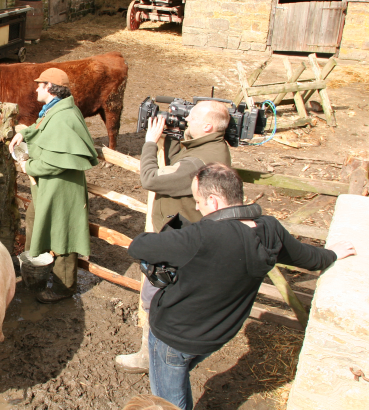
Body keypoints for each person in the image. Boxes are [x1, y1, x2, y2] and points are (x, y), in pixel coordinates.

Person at [128, 163, 356, 410]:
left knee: (167, 402)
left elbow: (138, 246)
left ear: (214, 201)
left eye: (198, 200)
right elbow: (309, 258)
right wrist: (332, 254)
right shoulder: (270, 230)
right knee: (179, 373)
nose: (196, 206)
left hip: (175, 335)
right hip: (218, 332)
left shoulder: (201, 237)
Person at [117, 100, 232, 373]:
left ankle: (152, 358)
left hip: (179, 244)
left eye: (189, 118)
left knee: (155, 299)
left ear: (207, 125)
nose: (185, 120)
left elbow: (152, 179)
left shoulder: (199, 163)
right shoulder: (211, 147)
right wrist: (173, 135)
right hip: (187, 236)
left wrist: (149, 142)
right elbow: (178, 162)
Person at [8, 68, 98, 303]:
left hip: (61, 188)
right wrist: (25, 133)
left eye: (39, 85)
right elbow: (44, 131)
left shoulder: (65, 116)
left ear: (49, 87)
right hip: (48, 187)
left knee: (62, 232)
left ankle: (63, 287)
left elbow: (57, 160)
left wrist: (30, 168)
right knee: (34, 220)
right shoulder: (54, 110)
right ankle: (33, 268)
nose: (36, 88)